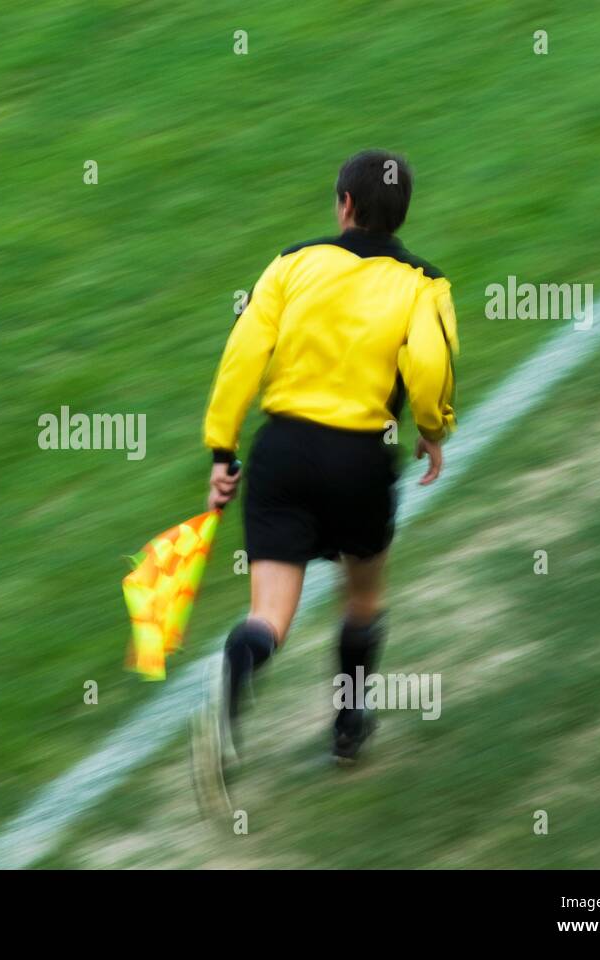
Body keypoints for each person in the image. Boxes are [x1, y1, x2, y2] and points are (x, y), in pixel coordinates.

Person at [190, 149, 459, 809]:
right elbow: (428, 364)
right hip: (359, 460)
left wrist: (222, 452)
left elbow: (242, 355)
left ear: (344, 205)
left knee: (268, 615)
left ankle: (235, 675)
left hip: (282, 451)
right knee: (362, 599)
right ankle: (348, 728)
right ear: (402, 214)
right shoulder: (425, 284)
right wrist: (433, 427)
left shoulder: (291, 264)